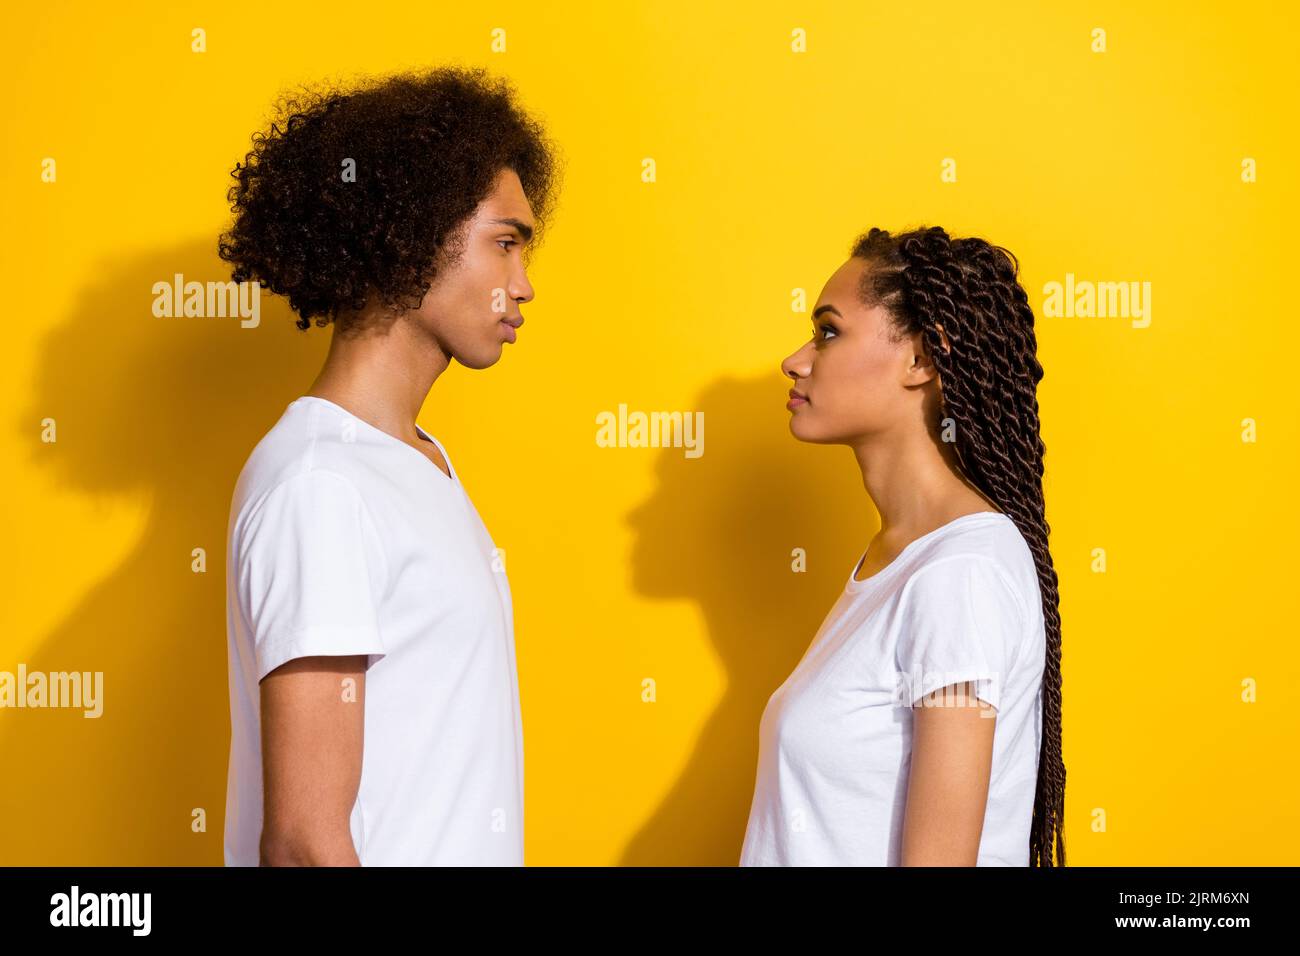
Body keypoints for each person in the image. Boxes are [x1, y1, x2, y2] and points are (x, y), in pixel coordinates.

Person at [218, 67, 560, 865]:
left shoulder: (420, 464)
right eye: (505, 244)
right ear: (409, 233)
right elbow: (304, 841)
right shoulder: (323, 485)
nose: (525, 285)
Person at [739, 226, 1065, 866]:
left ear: (922, 359)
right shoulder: (896, 561)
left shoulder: (959, 574)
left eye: (829, 331)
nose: (796, 359)